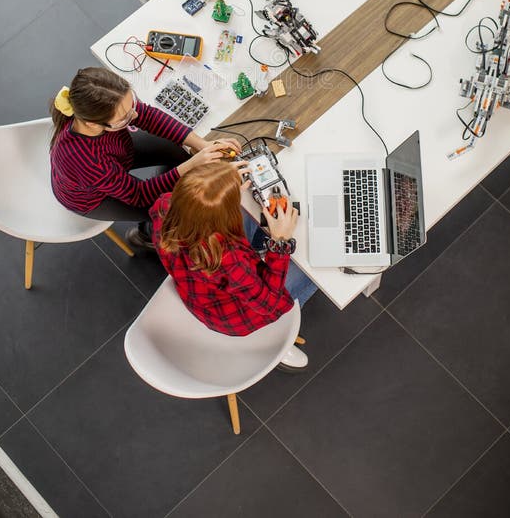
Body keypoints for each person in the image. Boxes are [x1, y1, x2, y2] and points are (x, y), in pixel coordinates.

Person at [150, 162, 317, 371]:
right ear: (222, 217)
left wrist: (220, 186)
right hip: (238, 318)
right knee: (315, 268)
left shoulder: (165, 205)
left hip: (200, 293)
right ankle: (278, 342)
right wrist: (280, 241)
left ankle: (262, 251)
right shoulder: (227, 259)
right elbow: (269, 304)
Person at [50, 67, 239, 249]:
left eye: (131, 105)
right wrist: (189, 166)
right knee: (168, 211)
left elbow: (148, 116)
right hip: (93, 198)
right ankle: (145, 235)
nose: (135, 115)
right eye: (124, 118)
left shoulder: (102, 110)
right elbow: (139, 195)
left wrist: (201, 144)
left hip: (118, 155)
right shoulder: (86, 161)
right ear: (93, 124)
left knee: (173, 149)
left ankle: (172, 179)